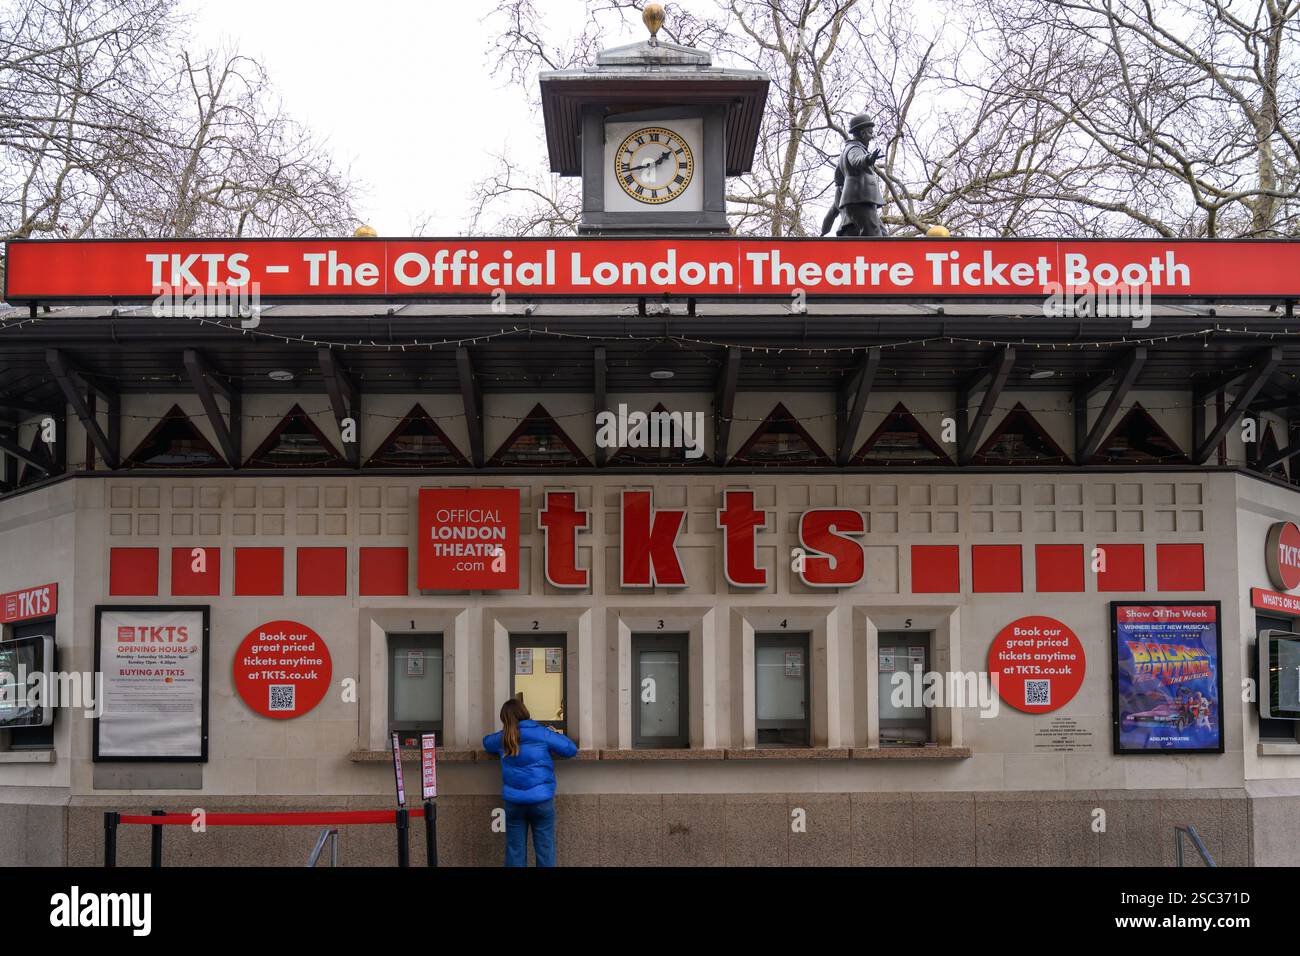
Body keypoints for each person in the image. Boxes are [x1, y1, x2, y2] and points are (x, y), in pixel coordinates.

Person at [482, 697, 578, 867]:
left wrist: (503, 732)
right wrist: (554, 733)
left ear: (505, 719)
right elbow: (571, 749)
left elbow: (486, 742)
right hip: (541, 801)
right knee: (545, 849)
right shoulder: (542, 733)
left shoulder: (502, 738)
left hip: (514, 802)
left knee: (515, 851)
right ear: (525, 713)